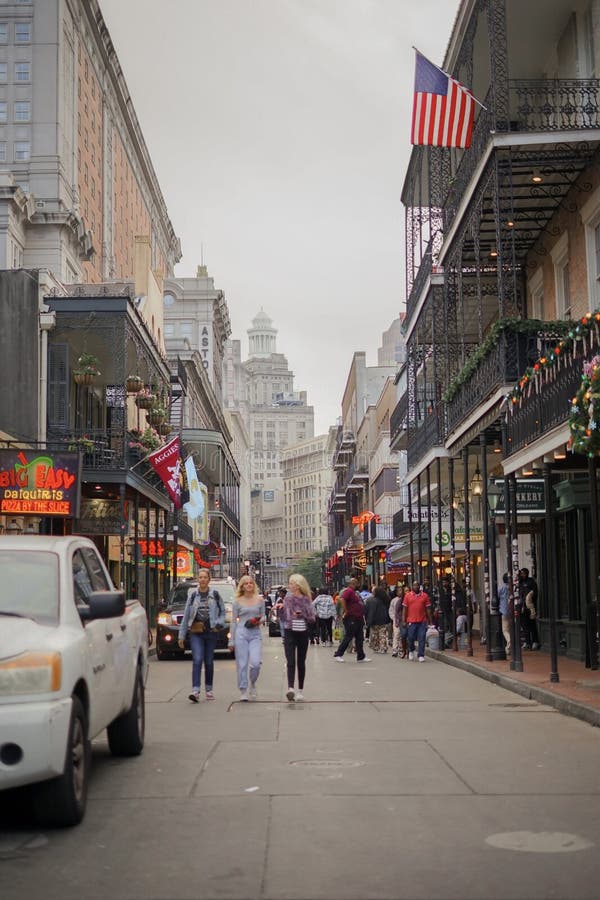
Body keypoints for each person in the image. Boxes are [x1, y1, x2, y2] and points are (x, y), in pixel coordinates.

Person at [178, 569, 226, 702]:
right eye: (200, 577)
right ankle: (196, 690)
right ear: (198, 580)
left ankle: (209, 689)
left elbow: (223, 611)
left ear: (209, 579)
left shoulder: (215, 595)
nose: (202, 579)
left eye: (205, 577)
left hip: (211, 632)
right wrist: (181, 635)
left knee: (209, 661)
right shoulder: (193, 596)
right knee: (197, 659)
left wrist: (219, 623)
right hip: (196, 632)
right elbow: (186, 615)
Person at [230, 575, 265, 701]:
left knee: (255, 663)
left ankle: (253, 683)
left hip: (255, 633)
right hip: (241, 633)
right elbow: (233, 621)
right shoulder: (237, 602)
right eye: (246, 583)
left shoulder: (260, 600)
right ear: (242, 586)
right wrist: (231, 640)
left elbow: (264, 616)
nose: (249, 585)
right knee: (242, 663)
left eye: (251, 583)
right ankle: (243, 689)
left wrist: (258, 621)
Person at [281, 574, 316, 701]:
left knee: (301, 661)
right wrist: (289, 613)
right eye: (289, 583)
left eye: (292, 583)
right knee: (290, 660)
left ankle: (300, 690)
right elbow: (286, 615)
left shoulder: (306, 599)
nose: (290, 586)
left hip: (302, 631)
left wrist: (302, 614)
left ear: (298, 585)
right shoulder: (287, 598)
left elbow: (312, 617)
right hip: (290, 630)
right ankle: (291, 688)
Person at [333, 577, 371, 663]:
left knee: (359, 637)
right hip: (351, 618)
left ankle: (361, 656)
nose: (357, 585)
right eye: (356, 583)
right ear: (352, 583)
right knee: (348, 636)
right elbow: (342, 599)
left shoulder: (353, 592)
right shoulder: (349, 591)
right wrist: (346, 611)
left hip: (358, 618)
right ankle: (338, 654)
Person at [399, 580, 432, 662]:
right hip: (411, 621)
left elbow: (428, 609)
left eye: (417, 585)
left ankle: (421, 654)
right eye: (414, 585)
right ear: (412, 587)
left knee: (422, 637)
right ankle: (411, 650)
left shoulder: (425, 596)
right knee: (410, 638)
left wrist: (430, 621)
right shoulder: (407, 596)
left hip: (422, 621)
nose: (415, 587)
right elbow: (404, 609)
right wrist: (403, 620)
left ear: (419, 586)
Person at [365, 585, 391, 653]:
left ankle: (376, 647)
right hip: (383, 619)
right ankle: (383, 647)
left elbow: (369, 611)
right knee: (383, 634)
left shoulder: (370, 600)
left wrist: (368, 621)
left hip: (374, 620)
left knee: (375, 634)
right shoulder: (384, 599)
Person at [519, 567, 540, 650]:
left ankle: (535, 641)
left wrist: (532, 603)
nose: (522, 575)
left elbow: (535, 594)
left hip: (530, 607)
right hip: (522, 608)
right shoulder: (520, 583)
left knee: (532, 624)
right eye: (521, 574)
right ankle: (527, 642)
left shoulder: (531, 582)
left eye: (523, 574)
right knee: (524, 626)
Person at [498, 572, 511, 657]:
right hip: (512, 611)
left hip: (504, 610)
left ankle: (509, 644)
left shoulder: (501, 587)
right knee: (510, 629)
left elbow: (496, 597)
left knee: (505, 630)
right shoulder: (512, 587)